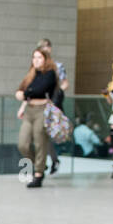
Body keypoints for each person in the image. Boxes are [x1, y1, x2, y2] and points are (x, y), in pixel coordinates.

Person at [15, 47, 57, 189]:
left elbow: (40, 89)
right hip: (29, 109)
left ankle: (38, 173)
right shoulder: (31, 74)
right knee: (23, 144)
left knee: (40, 142)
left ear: (45, 59)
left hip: (42, 109)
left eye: (39, 57)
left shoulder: (50, 74)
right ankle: (41, 165)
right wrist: (22, 104)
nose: (36, 60)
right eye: (34, 57)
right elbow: (22, 90)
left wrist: (25, 94)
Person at [39, 38, 69, 174]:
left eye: (47, 47)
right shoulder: (37, 67)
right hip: (39, 103)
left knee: (47, 134)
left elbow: (65, 83)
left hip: (53, 104)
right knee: (39, 133)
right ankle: (44, 161)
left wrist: (57, 92)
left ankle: (49, 161)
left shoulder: (57, 66)